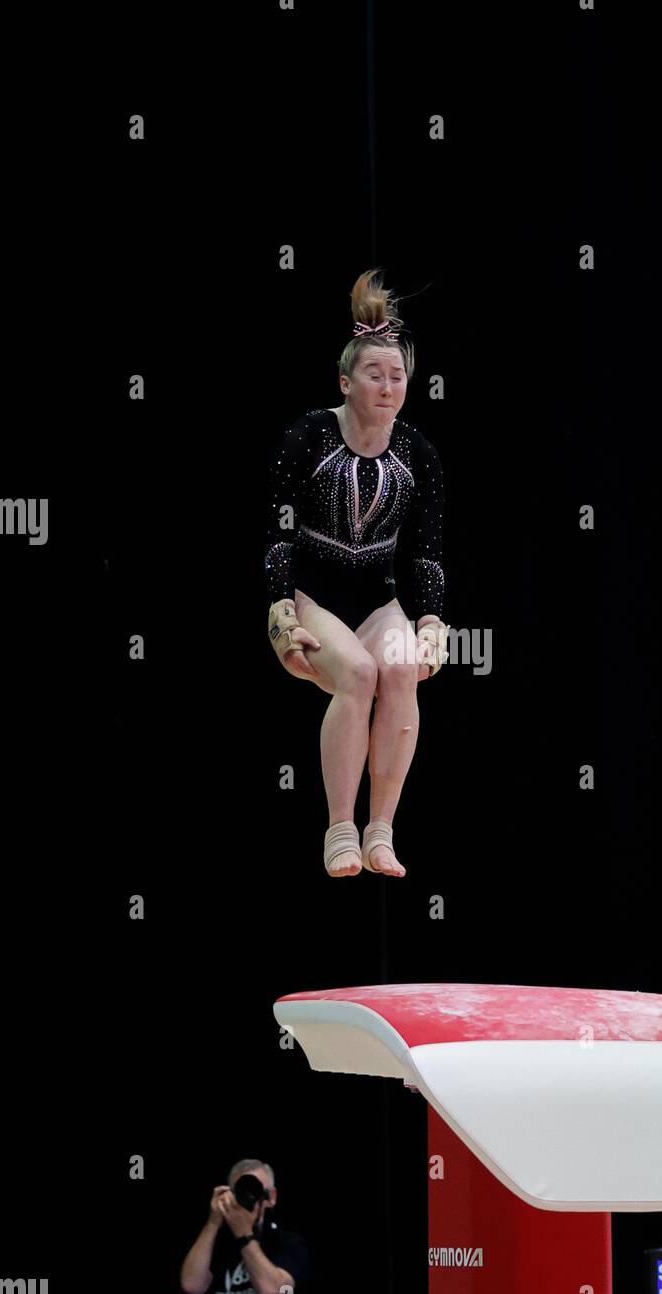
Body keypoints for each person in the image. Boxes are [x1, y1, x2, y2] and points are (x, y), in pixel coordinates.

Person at [266, 267, 448, 879]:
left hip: (377, 600)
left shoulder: (418, 453)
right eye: (375, 374)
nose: (388, 385)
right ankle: (339, 828)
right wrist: (280, 612)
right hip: (316, 594)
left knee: (400, 667)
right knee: (362, 672)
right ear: (346, 381)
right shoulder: (309, 435)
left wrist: (430, 619)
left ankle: (381, 830)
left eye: (398, 376)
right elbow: (279, 533)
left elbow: (425, 552)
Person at [180, 1159, 309, 1294]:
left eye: (255, 1190)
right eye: (241, 1191)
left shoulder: (289, 1242)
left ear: (271, 1197)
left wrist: (243, 1233)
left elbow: (272, 1291)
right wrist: (213, 1223)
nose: (248, 1198)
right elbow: (192, 1286)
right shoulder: (216, 1243)